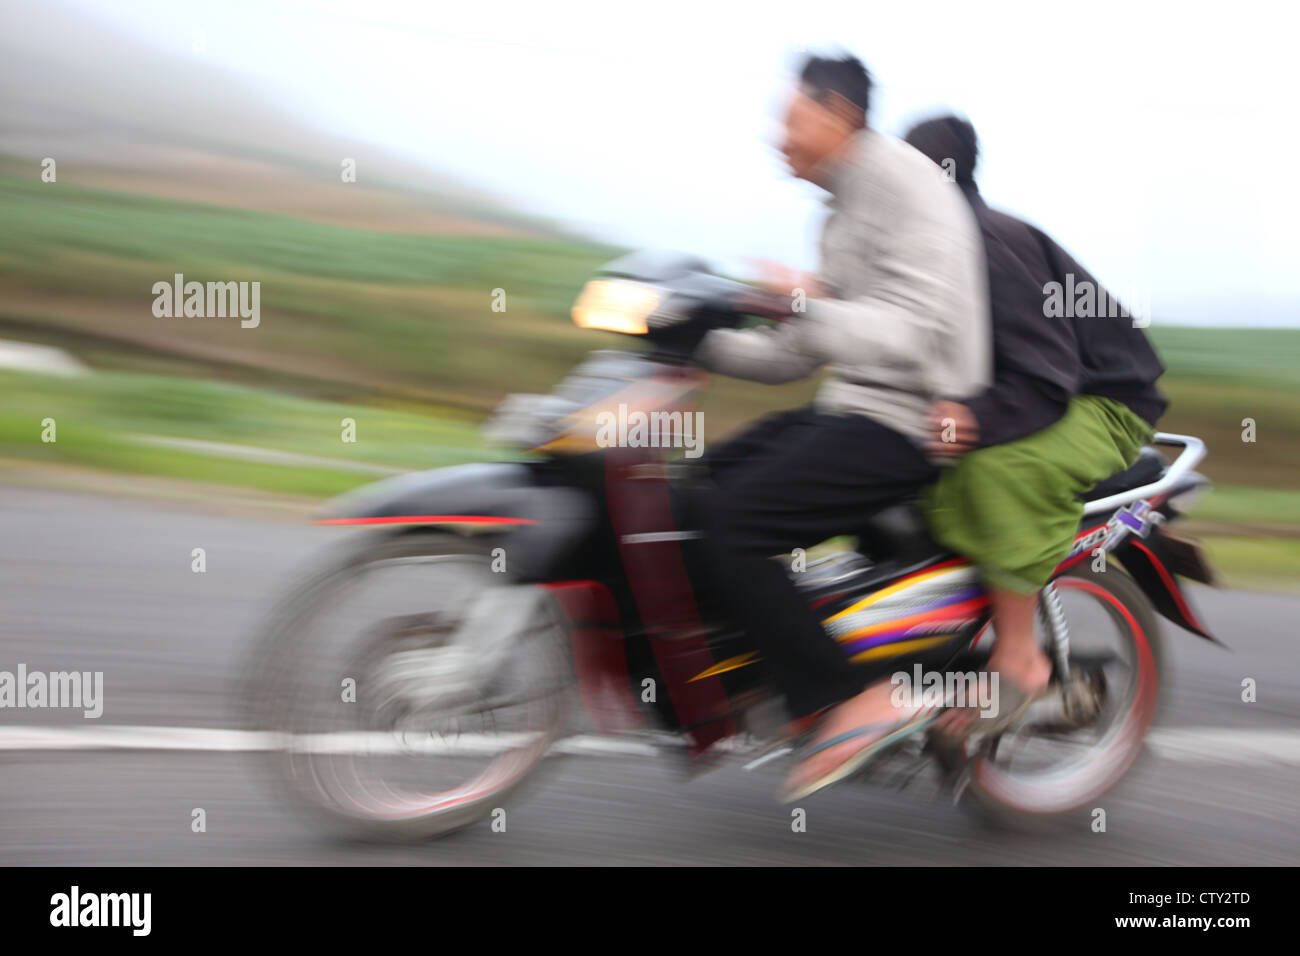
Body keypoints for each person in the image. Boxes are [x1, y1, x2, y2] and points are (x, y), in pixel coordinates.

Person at [693, 56, 990, 800]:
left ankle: (848, 696)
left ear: (840, 116)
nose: (777, 137)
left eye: (791, 120)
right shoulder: (838, 207)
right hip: (853, 407)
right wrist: (694, 338)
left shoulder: (900, 181)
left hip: (912, 422)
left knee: (734, 524)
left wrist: (799, 304)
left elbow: (910, 333)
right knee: (693, 489)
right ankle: (745, 667)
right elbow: (800, 355)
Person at [901, 114, 1167, 743]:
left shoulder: (987, 243)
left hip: (1105, 402)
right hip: (1042, 393)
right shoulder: (938, 247)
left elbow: (1045, 378)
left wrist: (976, 419)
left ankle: (1019, 659)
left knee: (997, 468)